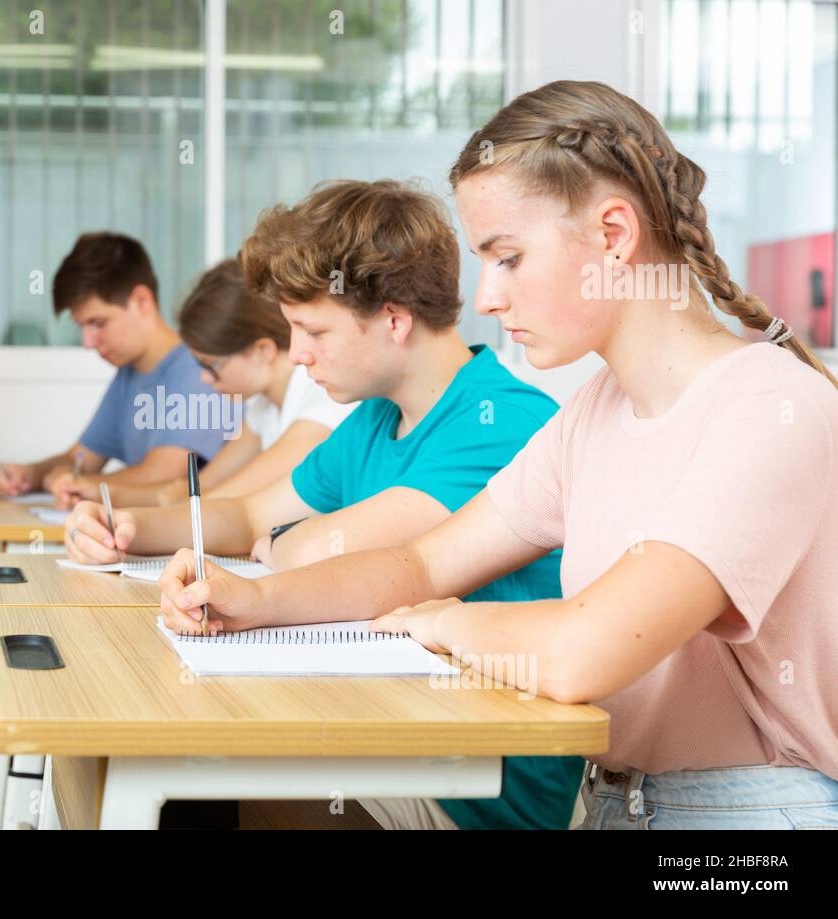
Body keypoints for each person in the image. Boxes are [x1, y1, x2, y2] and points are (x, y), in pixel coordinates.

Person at [158, 80, 838, 829]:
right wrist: (252, 602)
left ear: (614, 235)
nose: (486, 298)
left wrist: (446, 623)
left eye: (507, 257)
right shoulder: (594, 414)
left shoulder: (772, 408)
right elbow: (421, 564)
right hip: (618, 806)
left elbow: (584, 649)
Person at [69, 180, 580, 830]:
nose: (298, 353)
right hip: (384, 725)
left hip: (470, 786)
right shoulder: (375, 416)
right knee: (127, 759)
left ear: (394, 319)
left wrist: (281, 544)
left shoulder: (500, 422)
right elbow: (253, 516)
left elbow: (333, 552)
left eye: (312, 330)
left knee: (178, 778)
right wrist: (129, 526)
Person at [57, 258, 354, 509]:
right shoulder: (263, 407)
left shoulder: (319, 395)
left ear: (262, 351)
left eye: (210, 366)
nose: (203, 378)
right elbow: (197, 489)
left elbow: (228, 503)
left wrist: (128, 514)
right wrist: (107, 494)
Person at [0, 233, 230, 506]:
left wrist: (74, 484)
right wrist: (31, 473)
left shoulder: (199, 371)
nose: (89, 343)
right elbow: (80, 459)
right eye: (82, 327)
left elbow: (163, 475)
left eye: (98, 323)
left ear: (141, 301)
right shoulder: (130, 373)